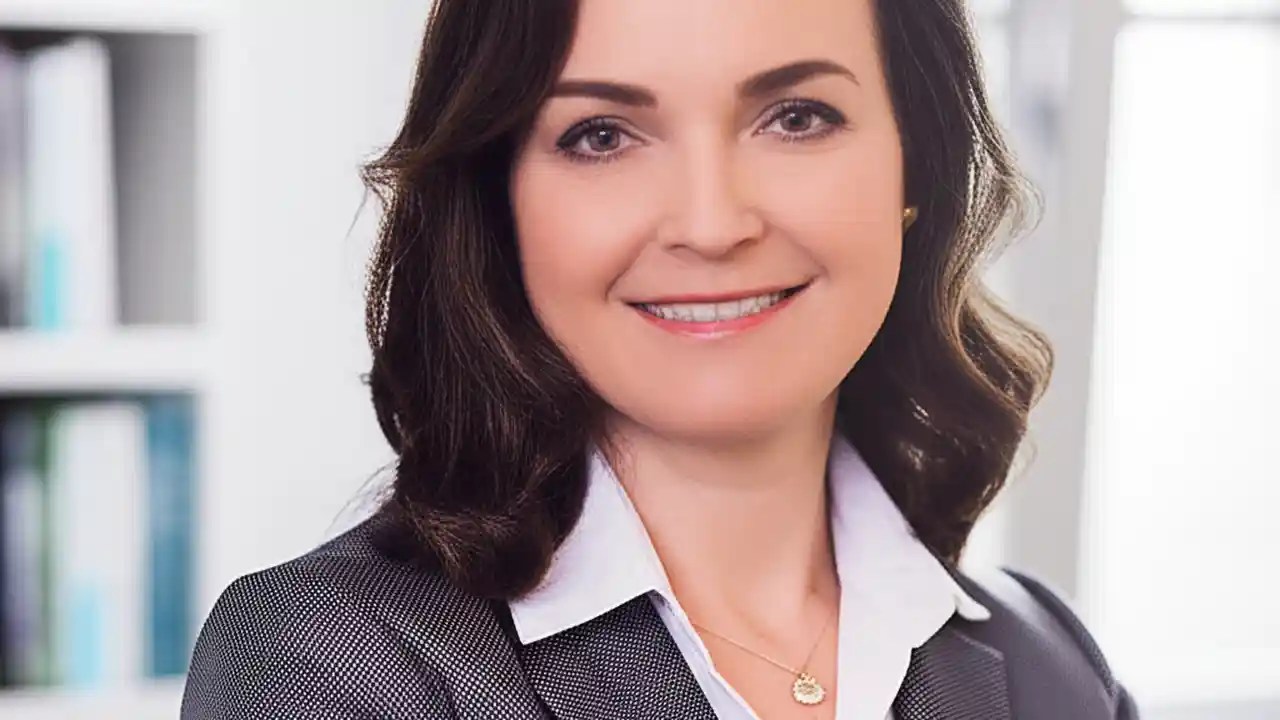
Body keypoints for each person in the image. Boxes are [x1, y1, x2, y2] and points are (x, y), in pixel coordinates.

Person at [180, 0, 1139, 718]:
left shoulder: (1049, 663)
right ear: (498, 207)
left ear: (915, 172)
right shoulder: (330, 662)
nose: (713, 225)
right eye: (601, 136)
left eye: (797, 117)